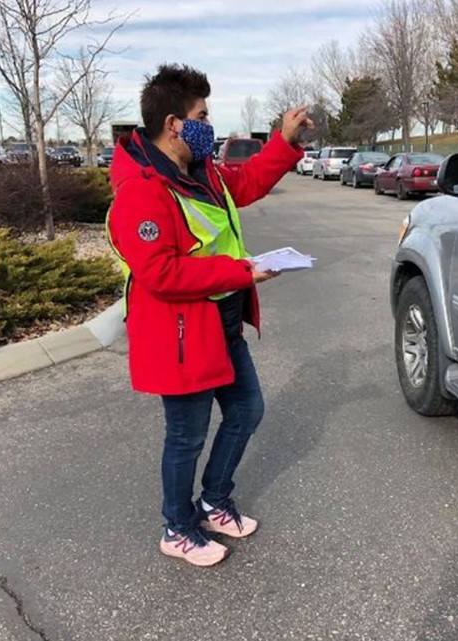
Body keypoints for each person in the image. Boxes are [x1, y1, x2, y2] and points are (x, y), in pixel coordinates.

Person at [106, 63, 311, 567]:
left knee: (246, 411)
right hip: (182, 334)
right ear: (175, 124)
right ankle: (177, 527)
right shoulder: (143, 188)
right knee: (187, 435)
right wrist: (241, 272)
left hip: (221, 323)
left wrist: (283, 141)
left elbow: (248, 182)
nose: (208, 123)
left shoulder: (201, 171)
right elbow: (161, 273)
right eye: (202, 114)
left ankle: (214, 502)